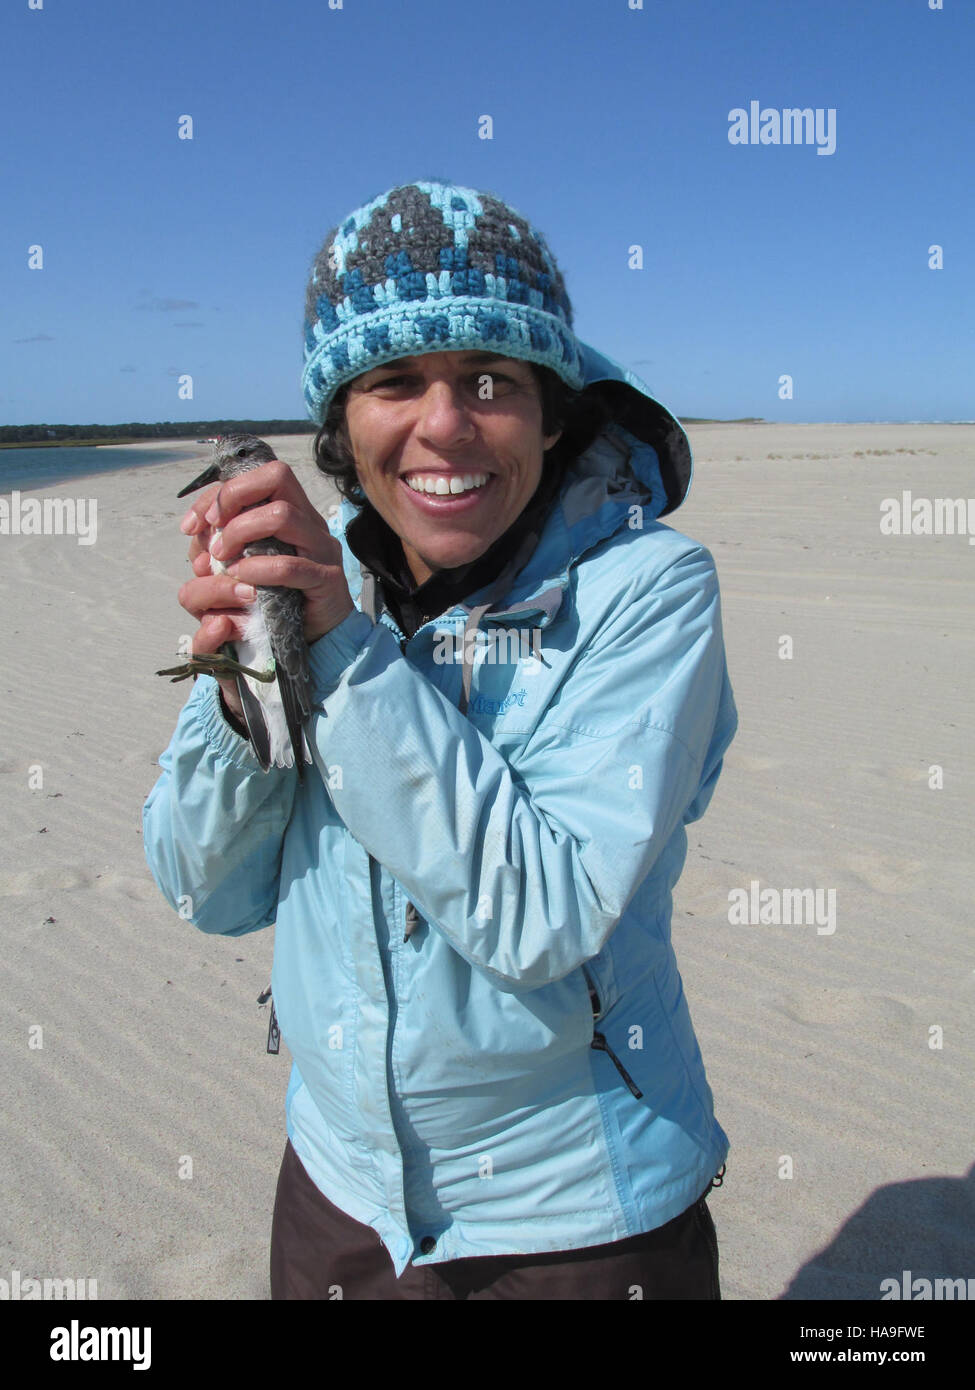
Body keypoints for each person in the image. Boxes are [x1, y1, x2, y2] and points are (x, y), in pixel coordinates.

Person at [143, 179, 738, 1300]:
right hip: (339, 1193)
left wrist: (346, 654)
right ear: (341, 426)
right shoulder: (322, 584)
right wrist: (245, 697)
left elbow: (543, 916)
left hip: (575, 1222)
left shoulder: (651, 594)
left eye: (491, 381)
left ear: (555, 412)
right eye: (393, 381)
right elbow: (201, 890)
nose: (445, 423)